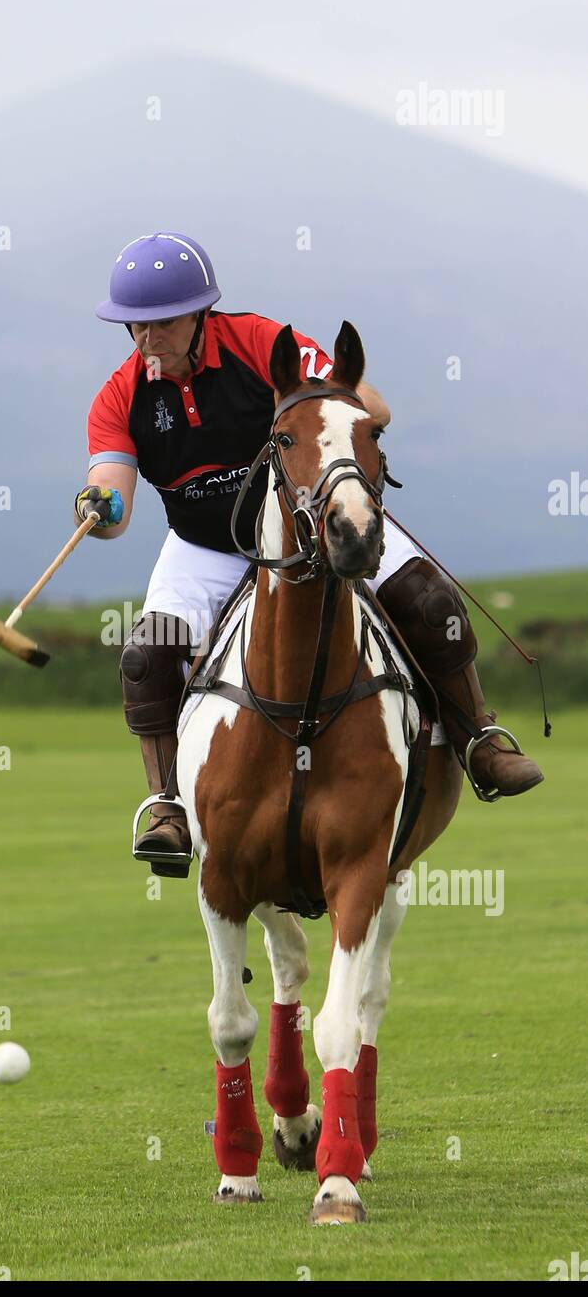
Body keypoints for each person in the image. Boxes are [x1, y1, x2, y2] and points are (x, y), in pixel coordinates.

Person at [74, 232, 543, 873]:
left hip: (308, 522)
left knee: (428, 601)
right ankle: (165, 807)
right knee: (147, 654)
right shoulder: (120, 397)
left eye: (164, 322)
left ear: (200, 315)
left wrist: (327, 405)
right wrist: (97, 509)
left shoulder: (262, 344)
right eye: (136, 325)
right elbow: (113, 499)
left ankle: (479, 736)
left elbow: (368, 407)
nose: (148, 338)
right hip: (205, 545)